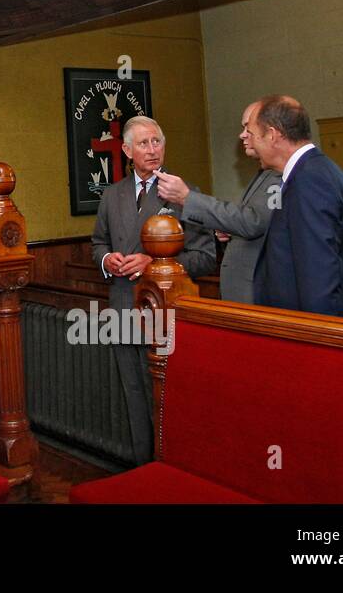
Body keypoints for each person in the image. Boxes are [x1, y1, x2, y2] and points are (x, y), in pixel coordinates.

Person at [90, 115, 216, 464]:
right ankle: (142, 469)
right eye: (143, 144)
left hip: (163, 314)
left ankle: (171, 469)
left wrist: (155, 263)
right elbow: (98, 242)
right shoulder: (112, 195)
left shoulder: (183, 194)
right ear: (127, 150)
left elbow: (205, 257)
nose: (152, 150)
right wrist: (108, 261)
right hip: (121, 306)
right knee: (133, 395)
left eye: (157, 142)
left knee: (165, 398)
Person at [249, 95, 343, 319]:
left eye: (251, 134)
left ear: (272, 135)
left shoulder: (309, 181)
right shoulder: (315, 170)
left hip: (323, 334)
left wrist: (317, 345)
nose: (249, 143)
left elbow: (319, 280)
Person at [152, 101, 280, 303]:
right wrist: (230, 229)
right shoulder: (265, 172)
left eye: (248, 127)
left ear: (270, 132)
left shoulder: (278, 174)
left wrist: (187, 198)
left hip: (260, 295)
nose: (243, 134)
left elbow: (254, 222)